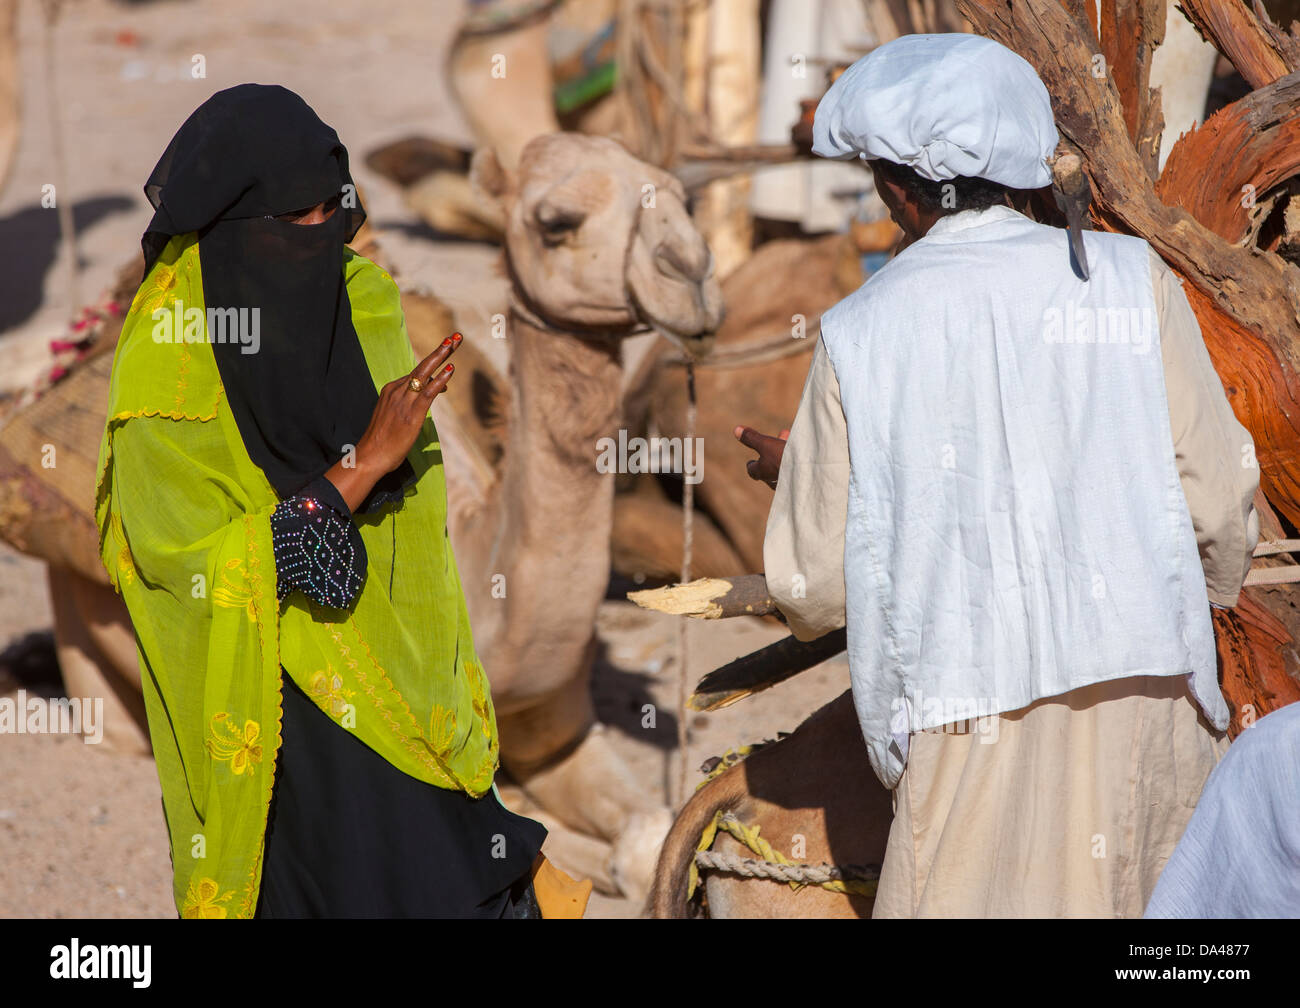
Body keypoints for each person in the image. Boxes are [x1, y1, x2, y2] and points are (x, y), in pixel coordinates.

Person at [737, 34, 1259, 917]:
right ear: (1023, 164)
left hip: (965, 731)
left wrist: (811, 483)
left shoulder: (860, 332)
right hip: (1148, 715)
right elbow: (1217, 511)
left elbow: (813, 587)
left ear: (895, 188)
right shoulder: (1137, 283)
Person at [96, 84, 553, 918]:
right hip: (281, 715)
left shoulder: (363, 301)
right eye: (290, 222)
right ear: (229, 231)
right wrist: (362, 466)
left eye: (327, 213)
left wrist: (384, 466)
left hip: (401, 680)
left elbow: (415, 536)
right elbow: (186, 579)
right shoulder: (168, 386)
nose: (319, 239)